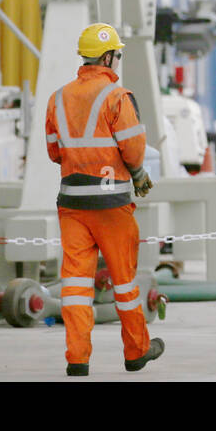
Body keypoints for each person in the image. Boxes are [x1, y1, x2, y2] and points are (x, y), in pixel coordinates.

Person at [47, 23, 164, 376]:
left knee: (76, 288)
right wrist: (139, 175)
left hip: (72, 207)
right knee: (125, 283)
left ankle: (77, 360)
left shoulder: (58, 98)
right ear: (109, 56)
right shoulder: (117, 97)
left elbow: (54, 152)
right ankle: (136, 352)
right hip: (111, 205)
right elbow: (133, 148)